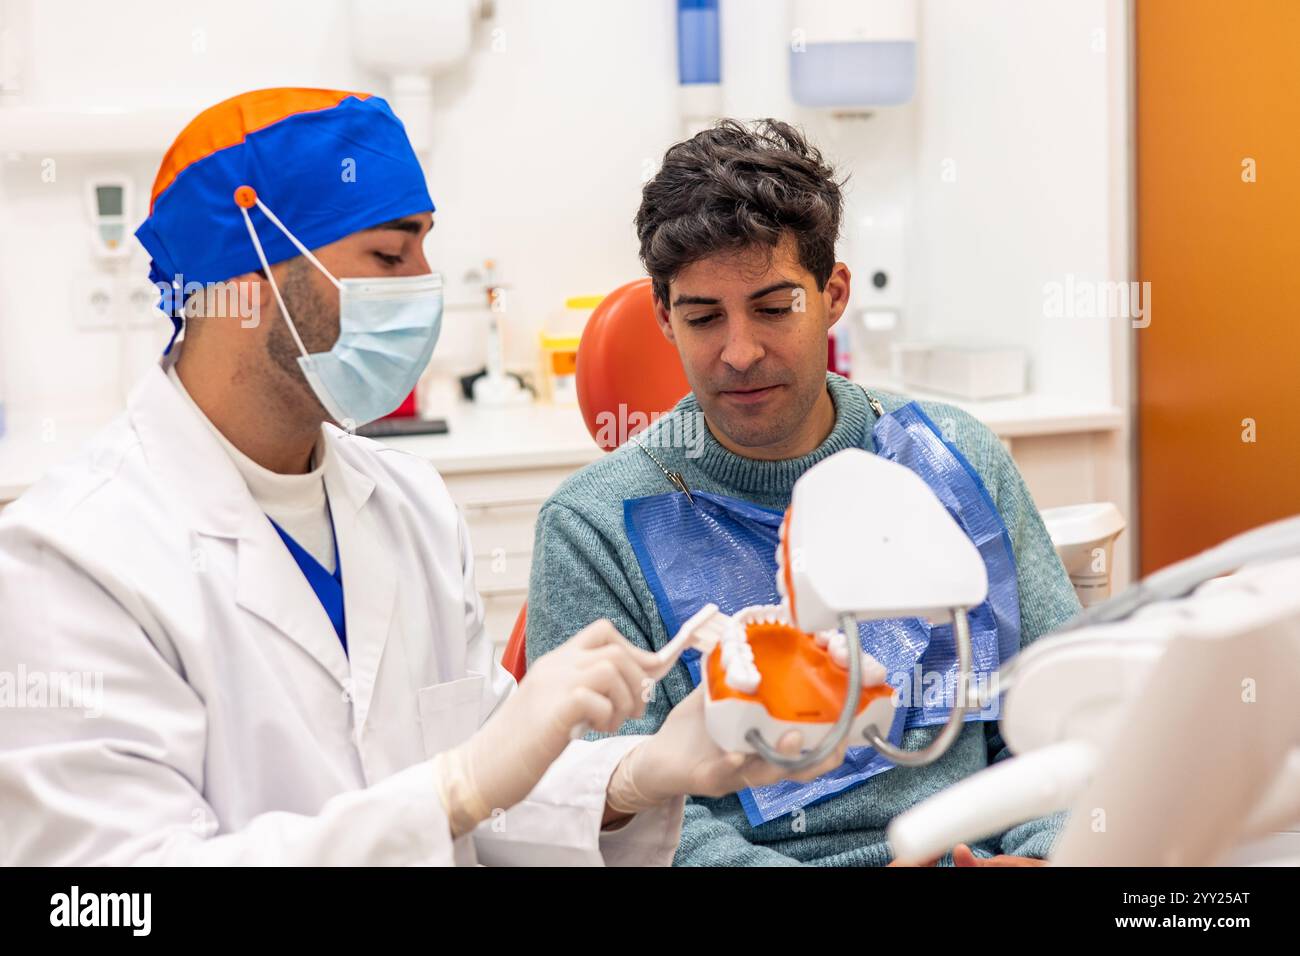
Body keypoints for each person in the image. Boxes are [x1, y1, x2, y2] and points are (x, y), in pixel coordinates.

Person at [0, 91, 854, 867]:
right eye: (388, 254)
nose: (423, 291)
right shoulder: (73, 560)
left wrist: (632, 774)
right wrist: (455, 788)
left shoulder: (405, 506)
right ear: (248, 272)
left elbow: (493, 788)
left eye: (423, 252)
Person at [526, 119, 1082, 866]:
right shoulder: (593, 526)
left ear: (834, 294)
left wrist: (1052, 855)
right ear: (663, 317)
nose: (741, 352)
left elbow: (1063, 718)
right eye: (702, 317)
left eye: (773, 307)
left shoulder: (952, 457)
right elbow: (619, 813)